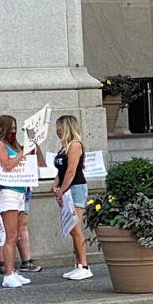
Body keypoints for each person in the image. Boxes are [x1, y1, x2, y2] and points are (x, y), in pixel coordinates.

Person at [0, 115, 33, 288]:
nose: (14, 131)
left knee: (17, 234)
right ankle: (8, 274)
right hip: (8, 191)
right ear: (3, 128)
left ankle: (12, 270)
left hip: (21, 190)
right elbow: (7, 165)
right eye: (11, 128)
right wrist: (23, 153)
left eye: (15, 128)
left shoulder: (12, 145)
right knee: (11, 235)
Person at [53, 115, 94, 279]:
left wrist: (61, 190)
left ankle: (84, 265)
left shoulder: (75, 145)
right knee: (71, 228)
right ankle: (78, 264)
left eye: (60, 128)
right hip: (66, 188)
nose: (57, 132)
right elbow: (61, 171)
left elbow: (71, 172)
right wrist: (55, 185)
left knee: (75, 228)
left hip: (75, 187)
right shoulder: (63, 148)